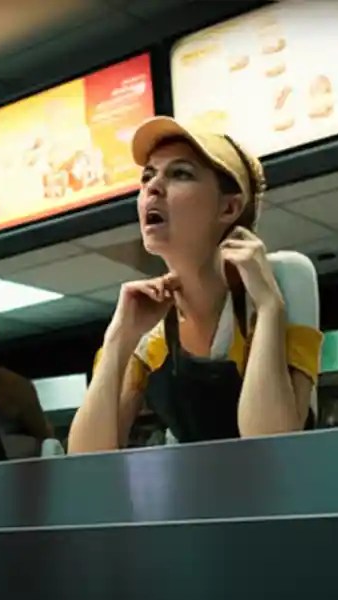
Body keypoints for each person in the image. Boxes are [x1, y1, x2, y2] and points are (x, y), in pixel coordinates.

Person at [68, 116, 322, 453]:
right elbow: (86, 458)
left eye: (180, 174)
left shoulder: (284, 279)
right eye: (148, 176)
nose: (152, 187)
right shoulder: (149, 318)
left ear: (229, 207)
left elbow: (273, 447)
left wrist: (269, 307)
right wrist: (117, 338)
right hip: (197, 503)